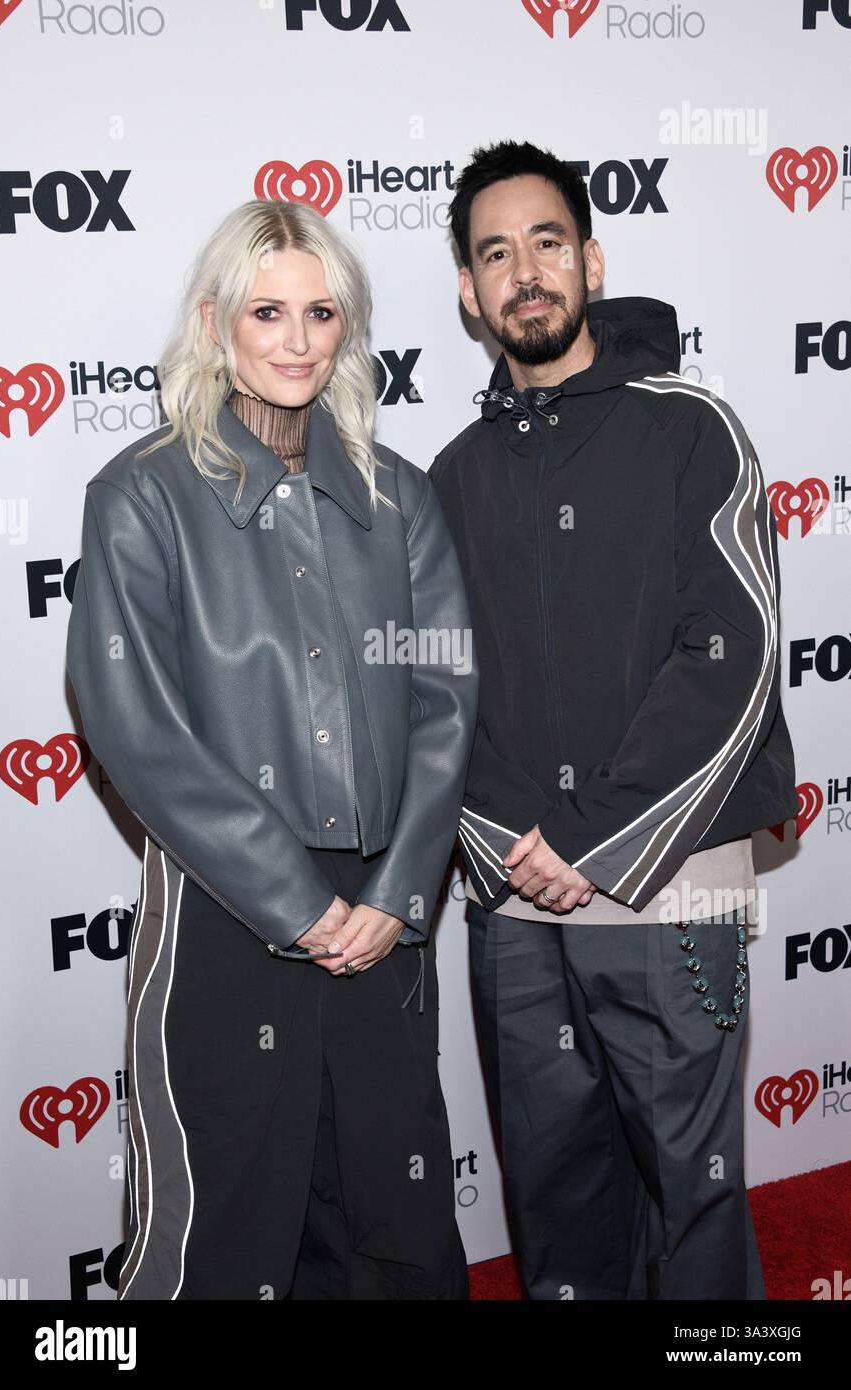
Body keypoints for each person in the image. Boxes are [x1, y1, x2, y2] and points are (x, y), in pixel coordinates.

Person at [66, 197, 479, 1300]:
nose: (297, 339)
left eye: (320, 311)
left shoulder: (401, 497)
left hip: (384, 914)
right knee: (229, 1219)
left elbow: (446, 700)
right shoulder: (141, 497)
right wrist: (293, 899)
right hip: (223, 909)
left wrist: (395, 893)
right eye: (267, 311)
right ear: (215, 324)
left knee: (389, 1206)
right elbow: (134, 726)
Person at [428, 140, 797, 1300]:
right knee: (554, 1199)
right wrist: (510, 846)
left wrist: (583, 839)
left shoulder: (692, 428)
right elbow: (435, 689)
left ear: (590, 257)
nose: (523, 272)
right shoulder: (449, 474)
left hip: (672, 886)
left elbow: (726, 660)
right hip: (516, 903)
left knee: (692, 1197)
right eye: (494, 254)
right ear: (467, 293)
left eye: (545, 242)